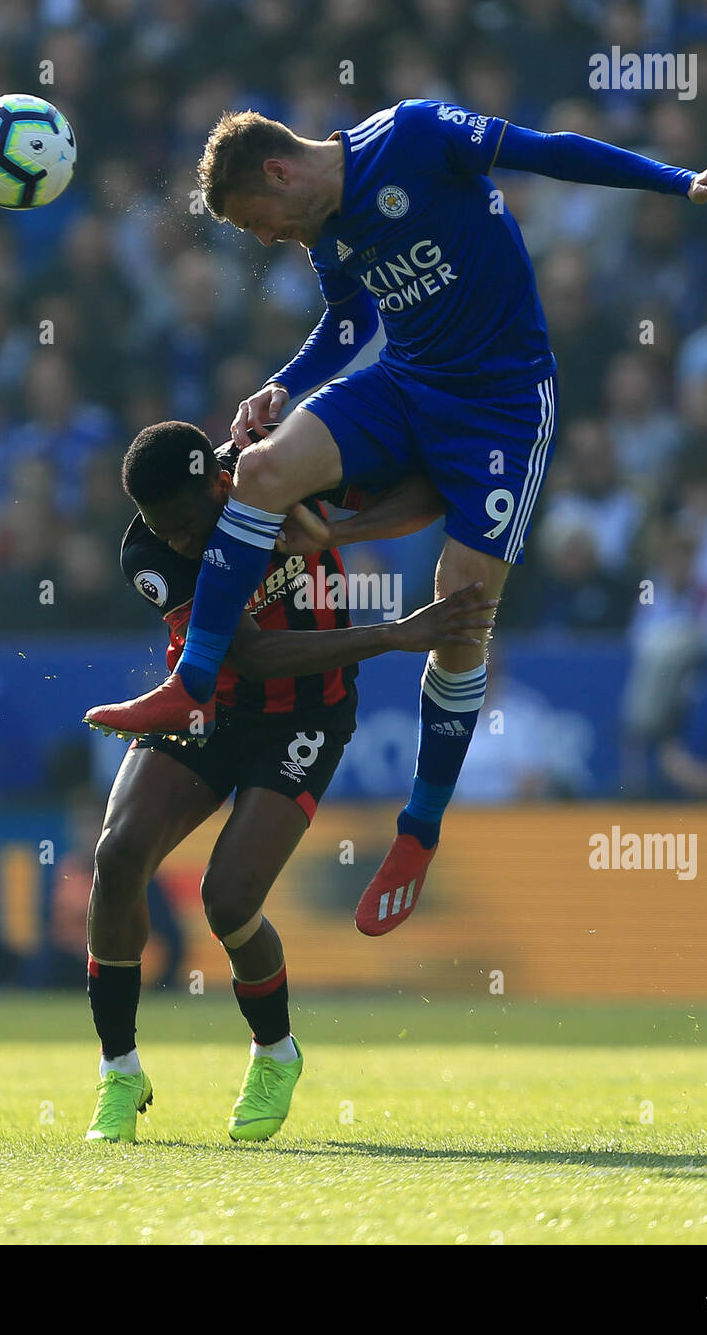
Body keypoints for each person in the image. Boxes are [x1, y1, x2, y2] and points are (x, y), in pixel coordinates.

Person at [85, 99, 707, 936]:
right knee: (259, 469)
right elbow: (349, 321)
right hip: (405, 384)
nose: (268, 243)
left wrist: (676, 180)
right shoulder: (324, 229)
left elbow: (546, 150)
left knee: (461, 616)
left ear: (278, 172)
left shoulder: (413, 137)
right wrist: (284, 384)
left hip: (503, 408)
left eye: (261, 224)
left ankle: (418, 829)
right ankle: (194, 681)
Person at [84, 420, 492, 1143]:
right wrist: (395, 633)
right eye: (162, 529)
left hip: (307, 718)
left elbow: (426, 484)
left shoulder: (283, 468)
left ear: (219, 483)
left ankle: (275, 1052)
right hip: (208, 705)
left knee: (229, 900)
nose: (178, 543)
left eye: (186, 525)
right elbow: (253, 654)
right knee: (117, 857)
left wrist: (346, 529)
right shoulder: (147, 553)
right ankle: (120, 1073)